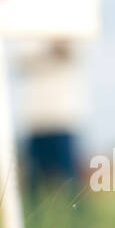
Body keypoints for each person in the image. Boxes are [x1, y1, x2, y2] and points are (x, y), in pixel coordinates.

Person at [16, 39, 86, 195]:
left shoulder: (73, 33)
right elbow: (20, 62)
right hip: (35, 120)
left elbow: (68, 53)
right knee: (33, 179)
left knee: (71, 178)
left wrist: (50, 50)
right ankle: (32, 210)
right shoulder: (27, 37)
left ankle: (76, 210)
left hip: (63, 118)